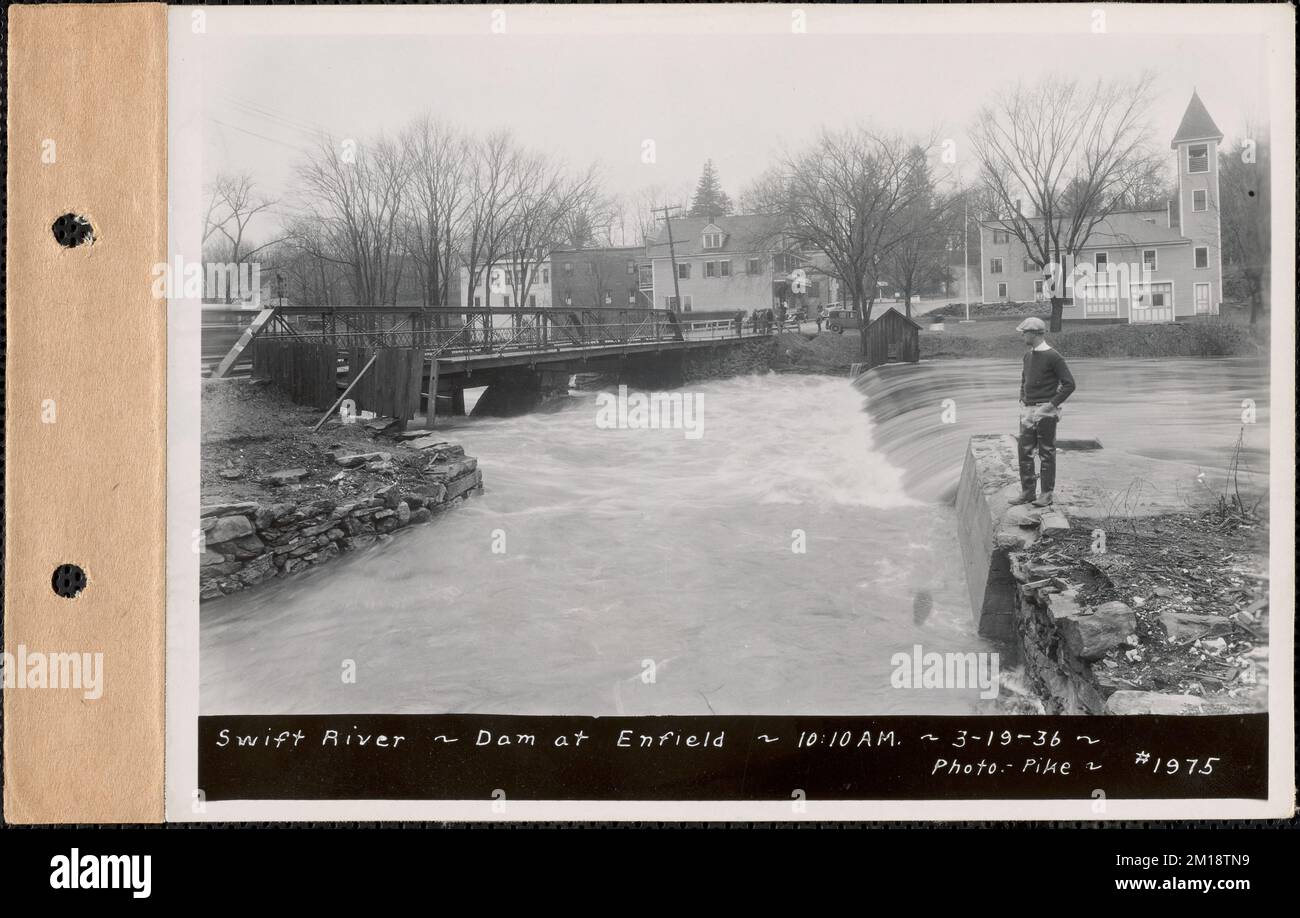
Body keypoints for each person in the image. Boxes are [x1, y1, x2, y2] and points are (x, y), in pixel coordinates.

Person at [1010, 316, 1076, 507]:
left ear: (1035, 333)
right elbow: (1024, 380)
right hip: (1028, 409)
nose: (1023, 335)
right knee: (1024, 450)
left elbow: (1069, 384)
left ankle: (1046, 494)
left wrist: (1051, 405)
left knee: (1046, 452)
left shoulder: (1053, 356)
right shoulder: (1028, 356)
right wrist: (1022, 398)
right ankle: (1028, 492)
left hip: (1046, 410)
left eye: (1025, 332)